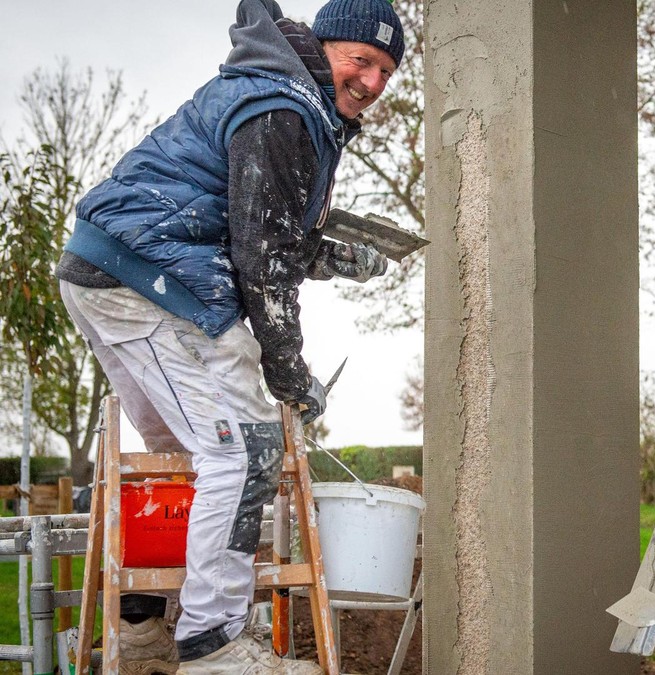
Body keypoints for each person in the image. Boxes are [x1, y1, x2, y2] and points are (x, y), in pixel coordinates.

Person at [54, 0, 404, 671]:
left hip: (119, 269)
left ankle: (143, 633)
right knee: (247, 448)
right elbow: (262, 260)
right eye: (362, 60)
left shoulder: (283, 96)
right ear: (325, 44)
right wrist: (291, 375)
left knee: (191, 458)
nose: (372, 82)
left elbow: (256, 229)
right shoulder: (283, 108)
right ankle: (214, 646)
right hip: (148, 280)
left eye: (386, 71)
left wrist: (336, 256)